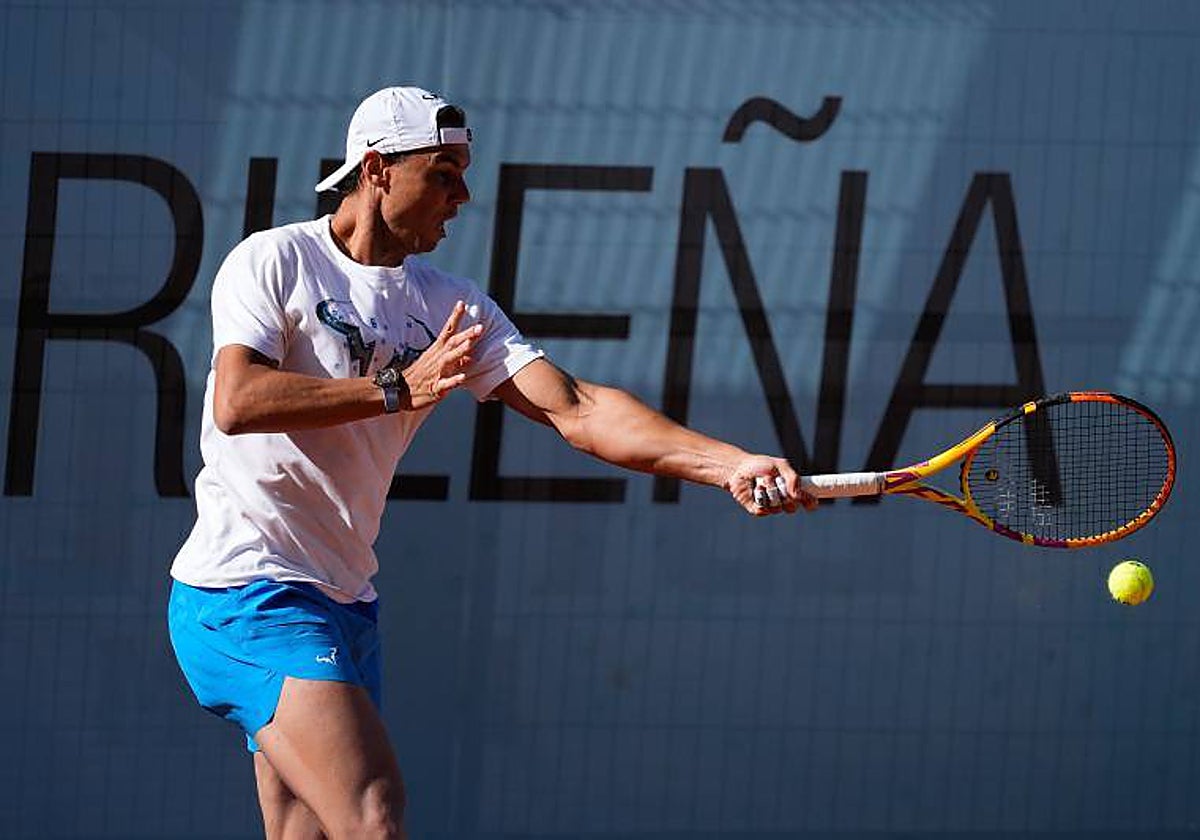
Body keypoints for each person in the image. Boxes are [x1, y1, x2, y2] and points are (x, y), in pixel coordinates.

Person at [168, 85, 812, 840]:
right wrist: (394, 388)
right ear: (377, 169)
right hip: (247, 591)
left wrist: (727, 464)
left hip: (344, 600)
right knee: (373, 816)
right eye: (443, 173)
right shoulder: (275, 260)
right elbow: (238, 400)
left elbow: (578, 407)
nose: (462, 196)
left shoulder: (451, 303)